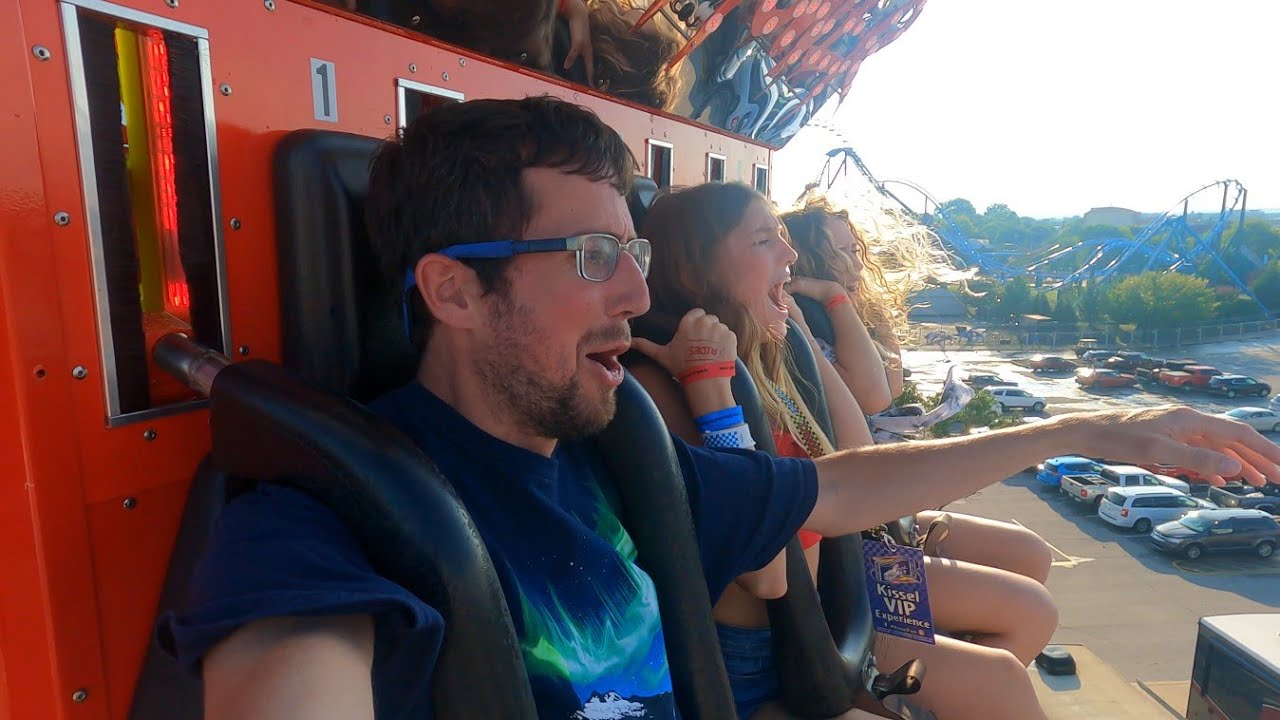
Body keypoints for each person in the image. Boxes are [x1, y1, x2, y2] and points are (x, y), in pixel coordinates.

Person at [161, 95, 1280, 720]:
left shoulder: (617, 459)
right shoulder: (326, 524)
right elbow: (291, 674)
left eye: (636, 252)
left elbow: (841, 482)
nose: (638, 295)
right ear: (455, 289)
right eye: (594, 255)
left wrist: (1085, 428)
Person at [633, 182, 1056, 719]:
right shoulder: (669, 387)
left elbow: (855, 448)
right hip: (763, 659)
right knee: (1000, 675)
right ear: (695, 274)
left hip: (829, 610)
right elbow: (766, 573)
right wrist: (713, 395)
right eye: (765, 241)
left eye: (784, 239)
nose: (788, 254)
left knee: (1003, 672)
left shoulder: (767, 363)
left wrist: (801, 333)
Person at [781, 198, 1054, 585]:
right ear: (807, 261)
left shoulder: (843, 317)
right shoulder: (809, 320)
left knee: (1030, 553)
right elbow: (877, 397)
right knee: (1028, 602)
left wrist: (867, 308)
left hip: (881, 499)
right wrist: (834, 296)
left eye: (855, 249)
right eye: (839, 252)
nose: (857, 263)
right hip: (857, 517)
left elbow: (892, 383)